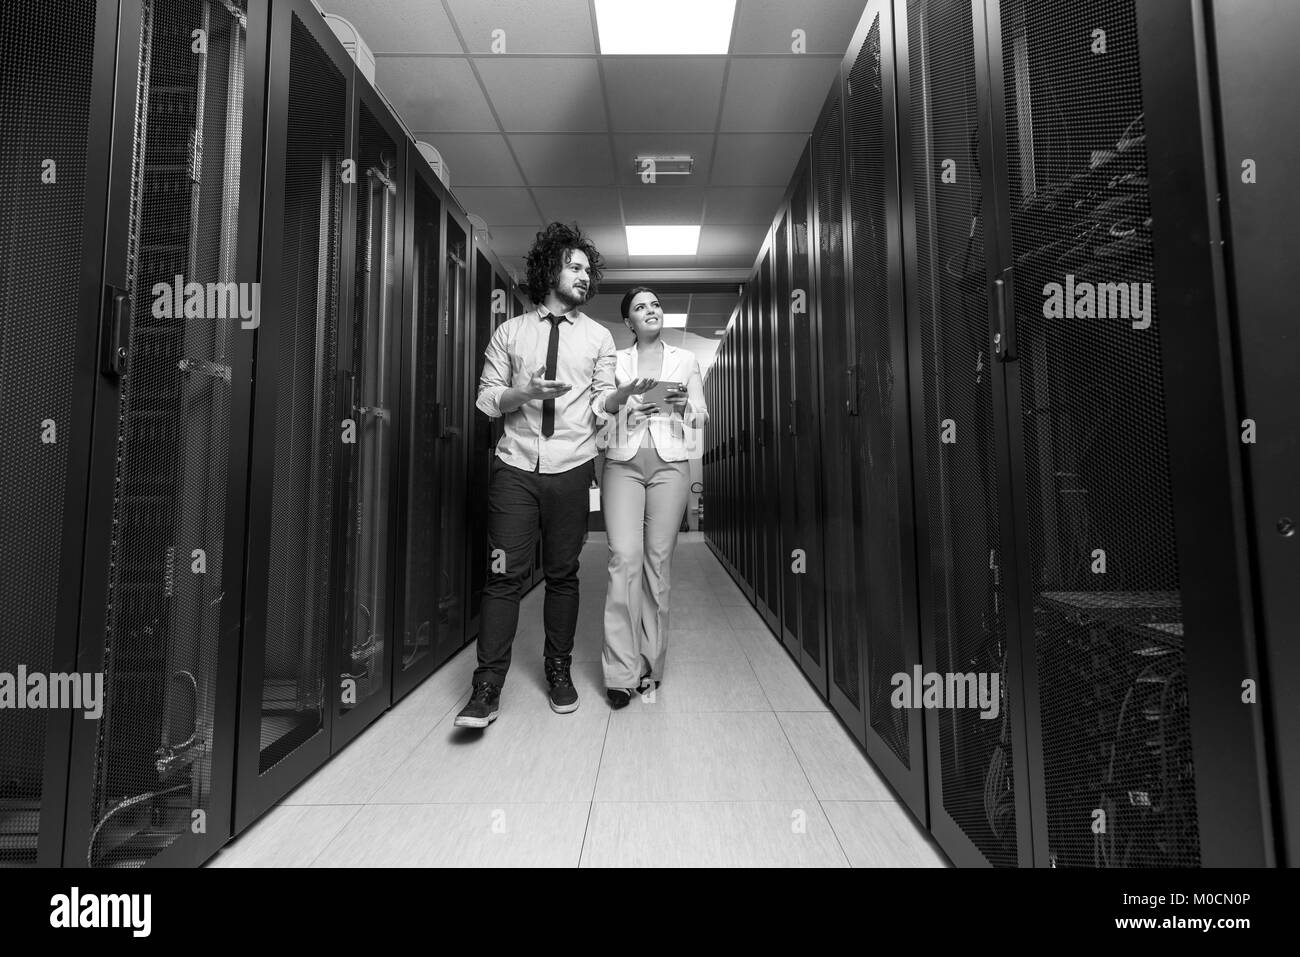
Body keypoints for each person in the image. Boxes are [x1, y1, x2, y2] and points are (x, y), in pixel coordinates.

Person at [456, 223, 653, 728]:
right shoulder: (510, 332)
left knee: (564, 575)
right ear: (550, 269)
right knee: (503, 576)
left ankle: (558, 670)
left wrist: (619, 397)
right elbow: (485, 399)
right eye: (575, 266)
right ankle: (487, 687)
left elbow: (599, 402)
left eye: (589, 271)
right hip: (516, 467)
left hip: (571, 468)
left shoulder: (599, 337)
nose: (584, 277)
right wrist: (521, 394)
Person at [599, 287, 709, 708]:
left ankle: (650, 668)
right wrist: (627, 406)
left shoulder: (686, 360)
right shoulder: (614, 362)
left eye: (656, 304)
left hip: (670, 466)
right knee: (623, 558)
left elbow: (700, 418)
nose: (651, 310)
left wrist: (681, 405)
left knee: (656, 564)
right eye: (641, 307)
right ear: (628, 321)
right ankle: (619, 672)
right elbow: (600, 414)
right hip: (622, 463)